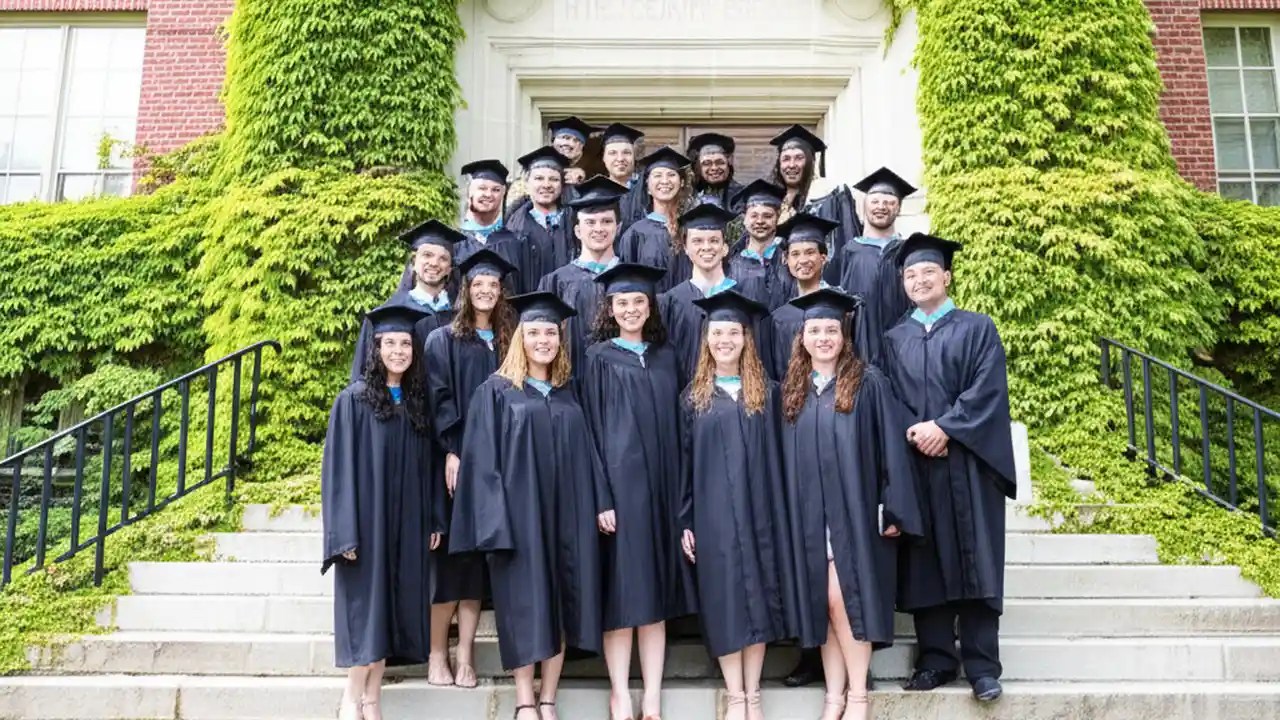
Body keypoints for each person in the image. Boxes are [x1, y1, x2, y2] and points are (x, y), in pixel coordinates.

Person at [450, 291, 608, 720]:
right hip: (519, 523)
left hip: (568, 518)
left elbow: (589, 452)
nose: (543, 341)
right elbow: (482, 464)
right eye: (535, 332)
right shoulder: (496, 392)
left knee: (561, 605)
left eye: (550, 333)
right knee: (523, 608)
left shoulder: (568, 392)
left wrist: (599, 503)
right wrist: (496, 525)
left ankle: (549, 698)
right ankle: (524, 699)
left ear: (560, 339)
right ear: (521, 338)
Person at [882, 233, 1016, 703]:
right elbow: (888, 398)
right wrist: (917, 433)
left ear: (947, 276)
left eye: (928, 272)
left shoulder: (978, 328)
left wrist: (946, 428)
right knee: (926, 563)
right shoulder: (894, 338)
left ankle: (982, 666)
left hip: (969, 464)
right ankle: (936, 659)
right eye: (911, 274)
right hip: (918, 465)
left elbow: (988, 389)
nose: (919, 280)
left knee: (975, 558)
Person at [779, 288, 922, 720]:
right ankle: (833, 695)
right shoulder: (794, 390)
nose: (823, 338)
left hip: (855, 513)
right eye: (815, 330)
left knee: (846, 600)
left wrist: (893, 506)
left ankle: (857, 694)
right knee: (824, 603)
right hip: (809, 515)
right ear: (802, 337)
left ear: (844, 336)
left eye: (831, 330)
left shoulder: (868, 382)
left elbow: (891, 449)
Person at [580, 263, 694, 720]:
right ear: (610, 308)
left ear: (650, 307)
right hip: (621, 494)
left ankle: (652, 696)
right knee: (623, 595)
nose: (630, 309)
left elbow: (682, 427)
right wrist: (601, 497)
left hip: (663, 491)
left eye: (638, 301)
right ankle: (620, 694)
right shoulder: (597, 358)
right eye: (622, 302)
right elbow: (589, 433)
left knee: (655, 597)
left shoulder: (667, 356)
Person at [322, 297, 444, 720]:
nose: (398, 351)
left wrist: (434, 517)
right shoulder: (353, 401)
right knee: (368, 613)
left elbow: (429, 467)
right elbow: (338, 473)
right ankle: (351, 697)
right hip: (366, 526)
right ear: (374, 350)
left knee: (391, 612)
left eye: (405, 344)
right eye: (389, 343)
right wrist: (343, 534)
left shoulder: (415, 404)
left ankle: (372, 699)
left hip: (407, 522)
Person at [678, 290, 792, 720]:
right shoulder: (692, 398)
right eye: (717, 333)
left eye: (732, 333)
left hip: (761, 512)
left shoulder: (769, 394)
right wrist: (686, 519)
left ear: (746, 339)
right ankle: (736, 695)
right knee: (724, 600)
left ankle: (754, 693)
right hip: (714, 518)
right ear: (706, 340)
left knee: (758, 597)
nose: (724, 340)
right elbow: (683, 464)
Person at [423, 249, 518, 690]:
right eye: (478, 284)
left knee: (478, 562)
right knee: (451, 561)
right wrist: (453, 449)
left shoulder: (509, 340)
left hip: (499, 463)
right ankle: (436, 653)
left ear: (501, 292)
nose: (485, 291)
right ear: (465, 289)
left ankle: (465, 656)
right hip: (457, 462)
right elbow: (440, 398)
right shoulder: (442, 340)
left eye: (493, 285)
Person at [536, 175, 630, 378]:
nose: (598, 229)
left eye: (606, 221)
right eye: (590, 222)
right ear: (578, 231)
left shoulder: (630, 279)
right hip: (570, 381)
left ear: (618, 228)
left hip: (621, 383)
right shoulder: (555, 282)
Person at [358, 219, 461, 381]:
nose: (434, 263)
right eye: (427, 255)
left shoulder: (460, 317)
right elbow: (363, 374)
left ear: (449, 269)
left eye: (443, 258)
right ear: (413, 262)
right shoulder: (387, 315)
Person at [836, 167, 918, 367]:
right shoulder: (849, 251)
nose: (881, 207)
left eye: (889, 202)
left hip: (904, 353)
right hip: (859, 354)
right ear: (865, 206)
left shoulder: (910, 251)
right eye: (875, 201)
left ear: (899, 208)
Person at [659, 202, 741, 384]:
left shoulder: (741, 299)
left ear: (725, 248)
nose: (706, 247)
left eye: (714, 240)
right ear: (686, 248)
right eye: (697, 241)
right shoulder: (671, 302)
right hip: (684, 393)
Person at [768, 125, 860, 269]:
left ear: (811, 161)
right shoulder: (773, 200)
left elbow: (848, 242)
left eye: (799, 158)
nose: (791, 165)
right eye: (786, 159)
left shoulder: (831, 194)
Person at [763, 213, 838, 382]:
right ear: (786, 259)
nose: (803, 260)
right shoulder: (779, 318)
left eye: (810, 252)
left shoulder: (843, 309)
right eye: (795, 254)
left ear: (823, 258)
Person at [616, 146, 693, 292]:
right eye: (657, 175)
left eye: (671, 174)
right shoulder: (635, 233)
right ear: (648, 188)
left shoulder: (692, 228)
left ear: (682, 182)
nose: (665, 181)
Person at [505, 145, 576, 275]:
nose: (546, 185)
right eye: (539, 178)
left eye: (554, 179)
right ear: (527, 182)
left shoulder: (574, 222)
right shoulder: (513, 225)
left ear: (562, 185)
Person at [726, 179, 789, 308]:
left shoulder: (788, 259)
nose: (760, 221)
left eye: (767, 216)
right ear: (744, 219)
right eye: (754, 216)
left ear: (777, 218)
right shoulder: (730, 261)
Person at [598, 123, 646, 231]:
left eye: (626, 153)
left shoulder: (646, 188)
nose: (620, 159)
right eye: (612, 153)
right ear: (603, 158)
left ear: (634, 157)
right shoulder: (596, 192)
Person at [687, 132, 745, 214]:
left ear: (729, 164)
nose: (714, 168)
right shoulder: (686, 197)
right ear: (697, 167)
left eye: (720, 162)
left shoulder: (743, 196)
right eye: (707, 163)